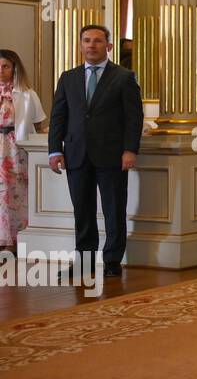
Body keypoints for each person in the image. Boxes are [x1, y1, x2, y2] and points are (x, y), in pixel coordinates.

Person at [47, 25, 144, 278]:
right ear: (80, 45)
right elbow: (58, 116)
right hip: (76, 154)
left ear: (108, 46)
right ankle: (84, 262)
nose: (91, 45)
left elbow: (134, 118)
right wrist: (54, 150)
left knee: (114, 209)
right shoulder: (68, 77)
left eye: (98, 41)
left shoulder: (124, 77)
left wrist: (130, 150)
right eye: (87, 41)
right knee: (83, 211)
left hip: (112, 155)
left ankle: (112, 260)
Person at [0, 49, 45, 251]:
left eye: (5, 66)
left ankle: (15, 240)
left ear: (14, 68)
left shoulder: (27, 94)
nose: (1, 70)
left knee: (15, 194)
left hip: (15, 148)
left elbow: (41, 125)